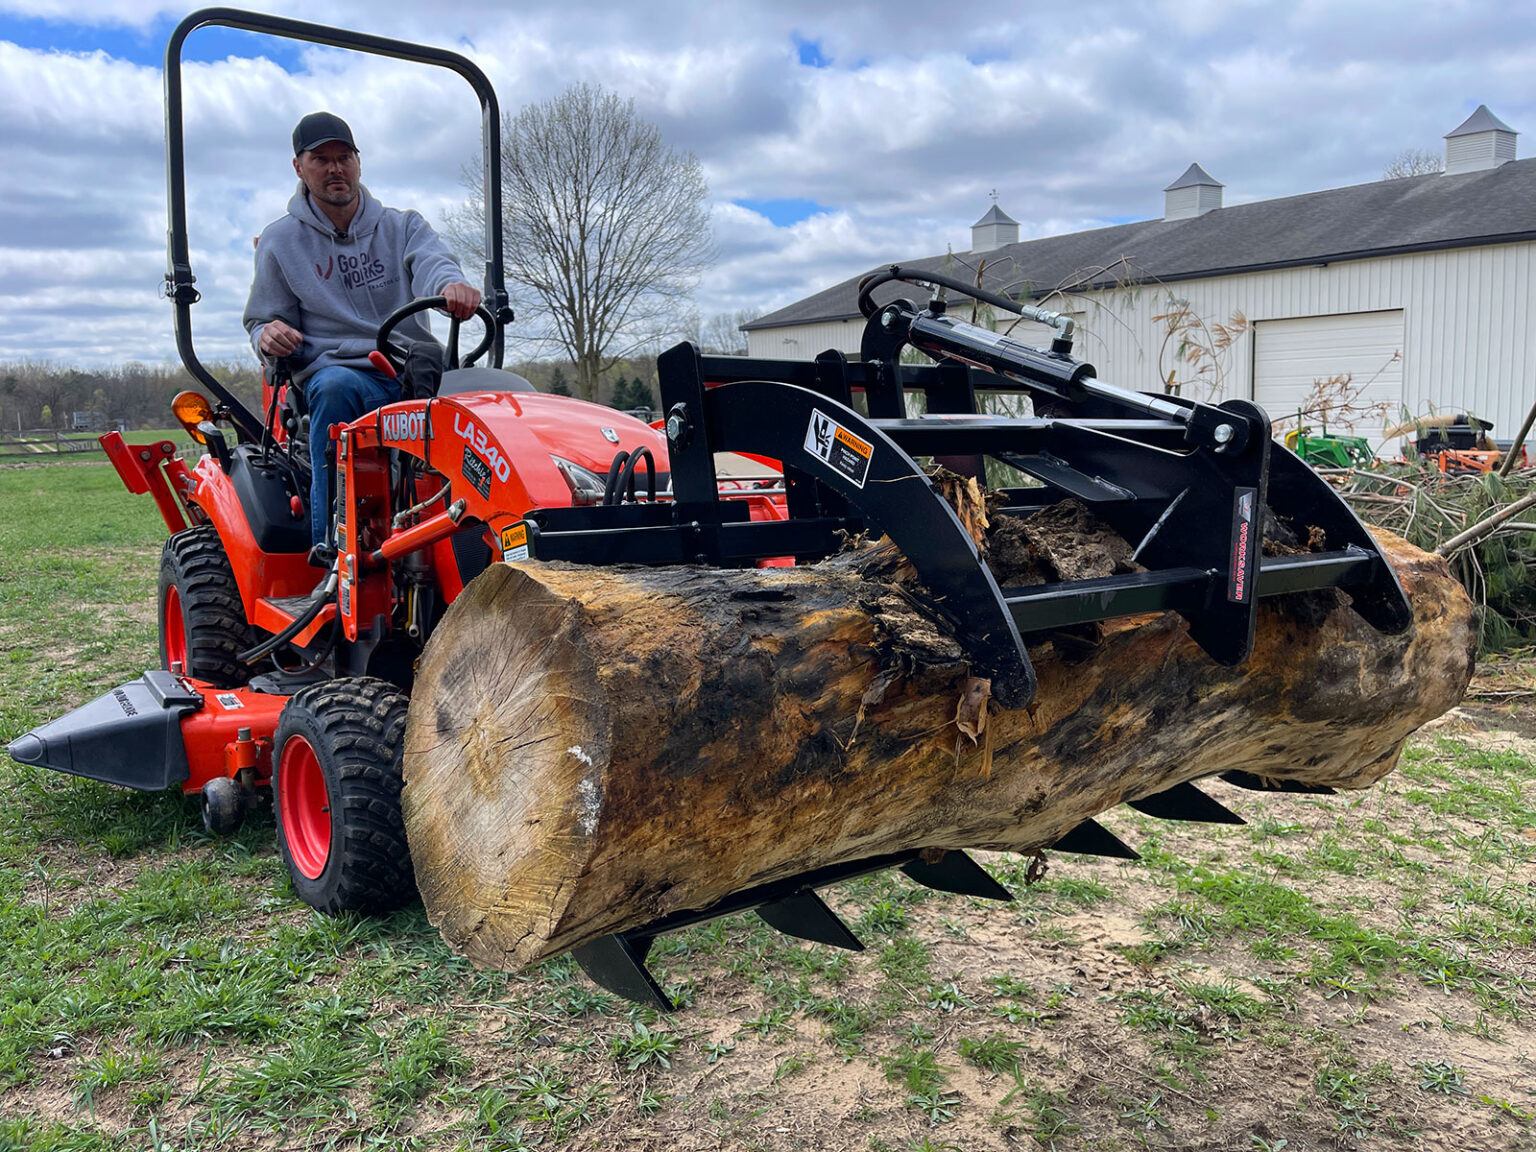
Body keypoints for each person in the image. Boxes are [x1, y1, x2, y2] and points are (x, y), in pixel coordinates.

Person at [243, 111, 482, 548]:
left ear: (358, 162)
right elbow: (262, 319)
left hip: (413, 370)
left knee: (499, 401)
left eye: (344, 157)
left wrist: (450, 285)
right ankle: (335, 550)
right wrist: (268, 335)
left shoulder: (402, 225)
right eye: (321, 159)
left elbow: (433, 261)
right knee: (336, 389)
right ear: (299, 167)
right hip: (341, 374)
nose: (335, 168)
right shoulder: (281, 241)